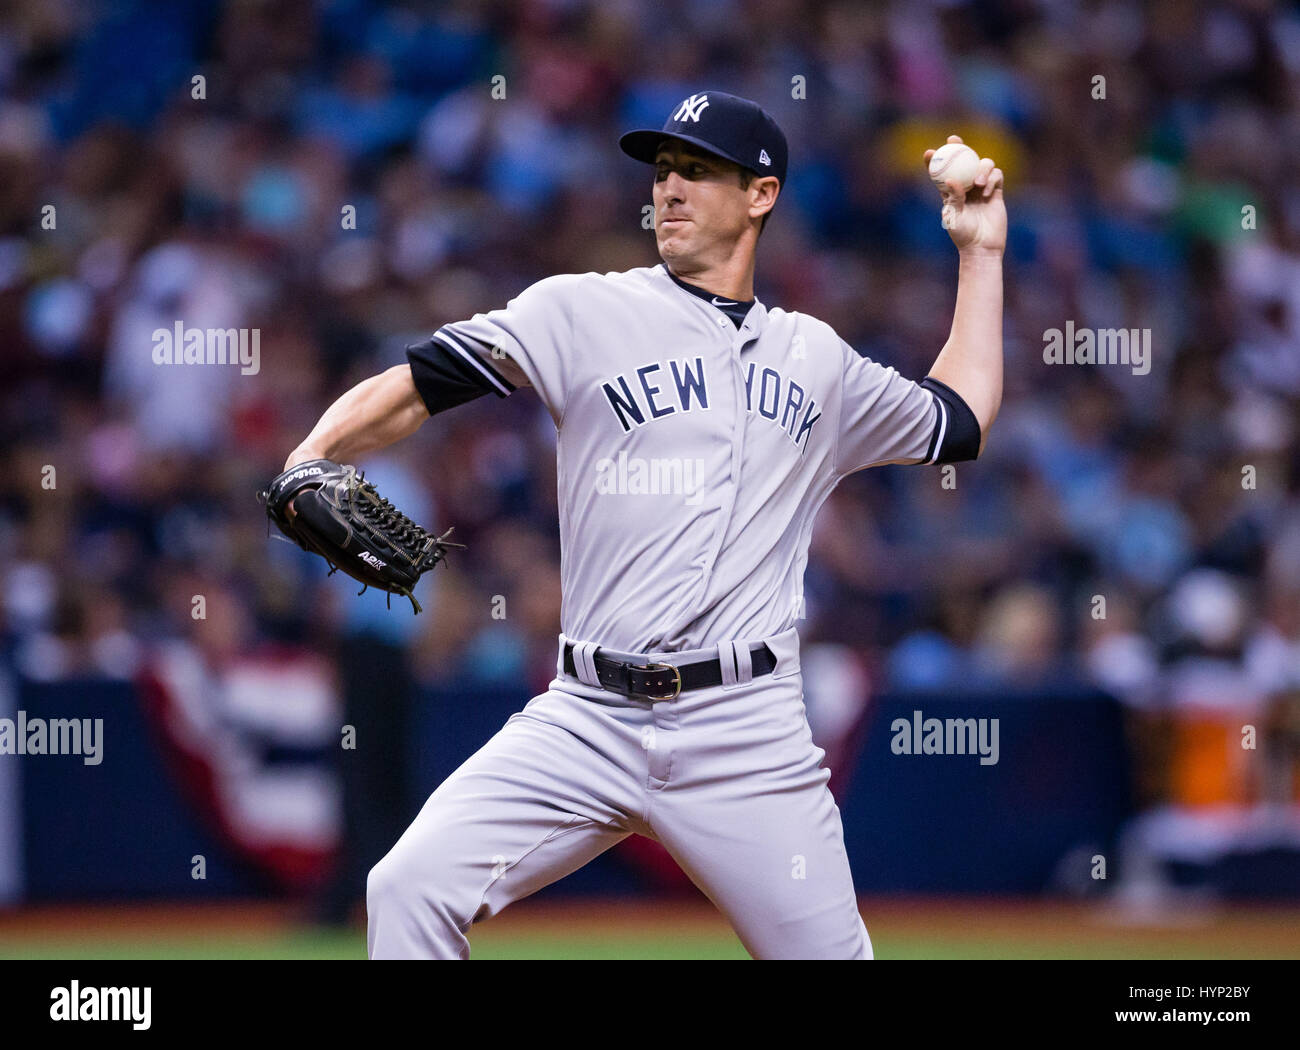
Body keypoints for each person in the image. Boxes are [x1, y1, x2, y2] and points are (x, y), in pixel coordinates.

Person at [281, 91, 1005, 959]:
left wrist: (982, 254)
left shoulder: (817, 359)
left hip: (747, 731)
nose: (669, 188)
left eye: (697, 171)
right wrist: (312, 452)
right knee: (405, 890)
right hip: (586, 717)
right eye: (663, 171)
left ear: (761, 195)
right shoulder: (580, 310)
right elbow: (421, 382)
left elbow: (959, 420)